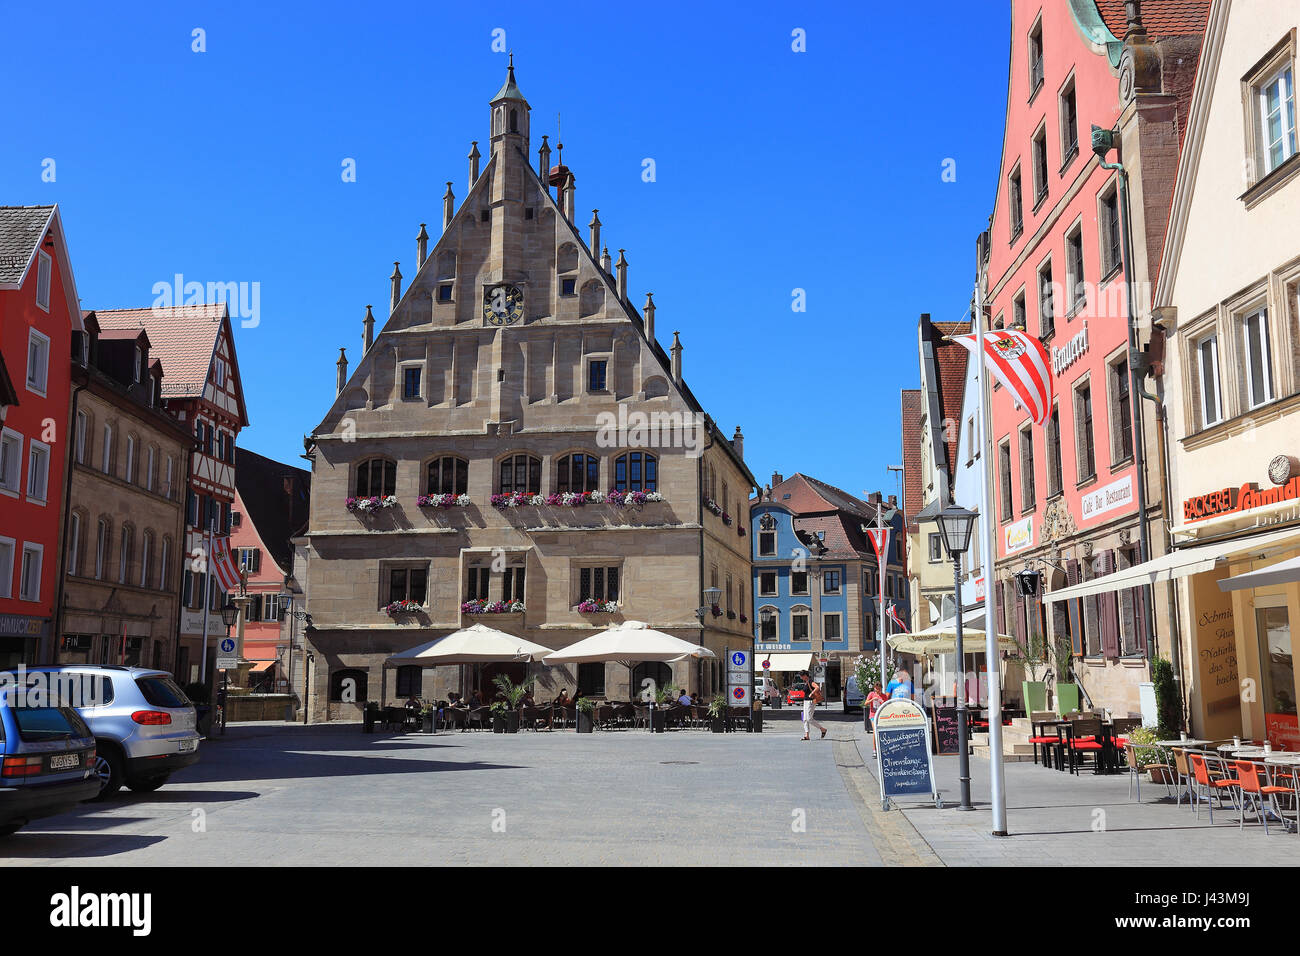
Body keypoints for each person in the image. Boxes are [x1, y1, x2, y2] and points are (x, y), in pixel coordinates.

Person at [799, 670, 826, 741]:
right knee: (804, 719)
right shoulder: (806, 682)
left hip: (810, 702)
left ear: (805, 675)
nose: (801, 678)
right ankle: (807, 735)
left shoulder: (810, 681)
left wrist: (811, 693)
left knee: (809, 719)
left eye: (801, 676)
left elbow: (817, 687)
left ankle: (822, 729)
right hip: (806, 701)